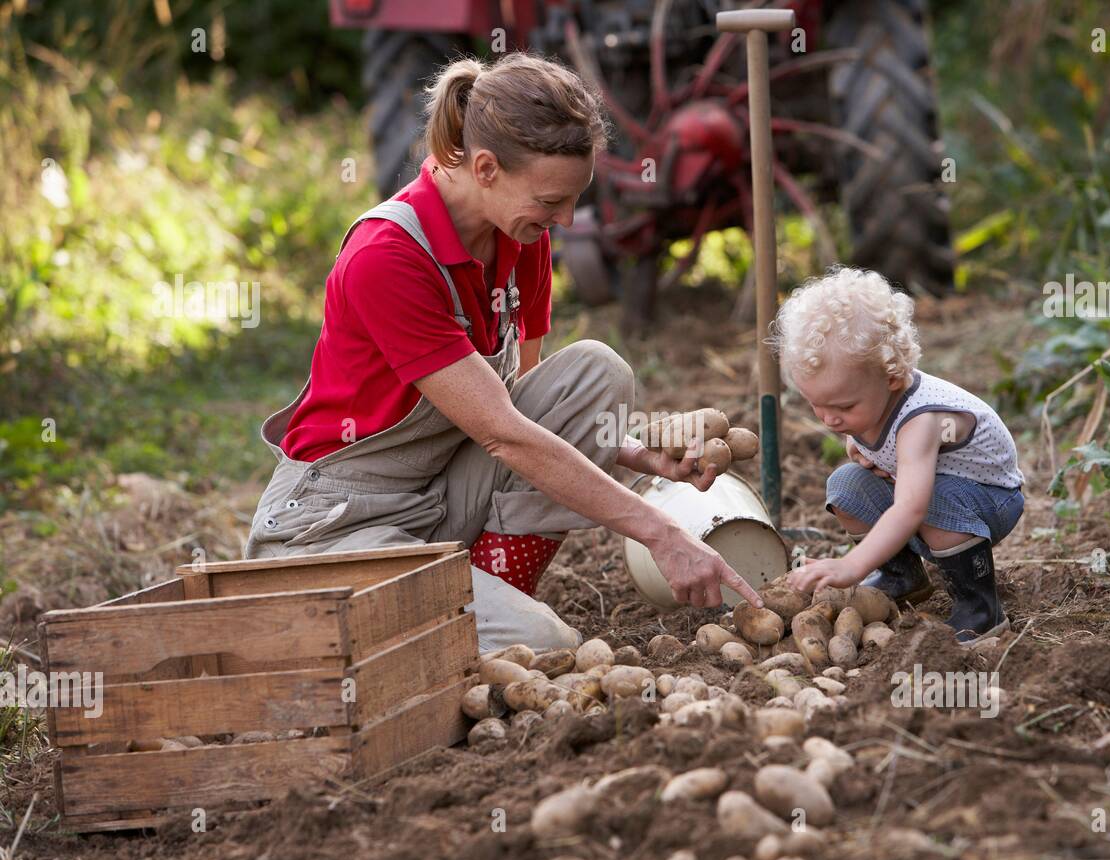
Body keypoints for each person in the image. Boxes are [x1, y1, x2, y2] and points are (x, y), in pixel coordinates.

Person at [243, 53, 761, 652]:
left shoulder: (519, 234)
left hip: (437, 489)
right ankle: (487, 615)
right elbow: (507, 438)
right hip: (338, 523)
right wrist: (662, 533)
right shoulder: (386, 257)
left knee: (596, 373)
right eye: (550, 201)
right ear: (485, 167)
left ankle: (489, 592)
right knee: (543, 645)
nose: (564, 219)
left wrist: (641, 456)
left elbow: (524, 418)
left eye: (573, 200)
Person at [777, 267, 1024, 642]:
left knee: (935, 498)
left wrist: (851, 565)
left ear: (892, 378)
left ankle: (981, 608)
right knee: (845, 485)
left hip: (990, 501)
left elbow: (911, 507)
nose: (828, 418)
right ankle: (902, 576)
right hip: (941, 499)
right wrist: (857, 441)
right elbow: (875, 441)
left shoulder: (922, 420)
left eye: (842, 406)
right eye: (816, 405)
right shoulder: (871, 399)